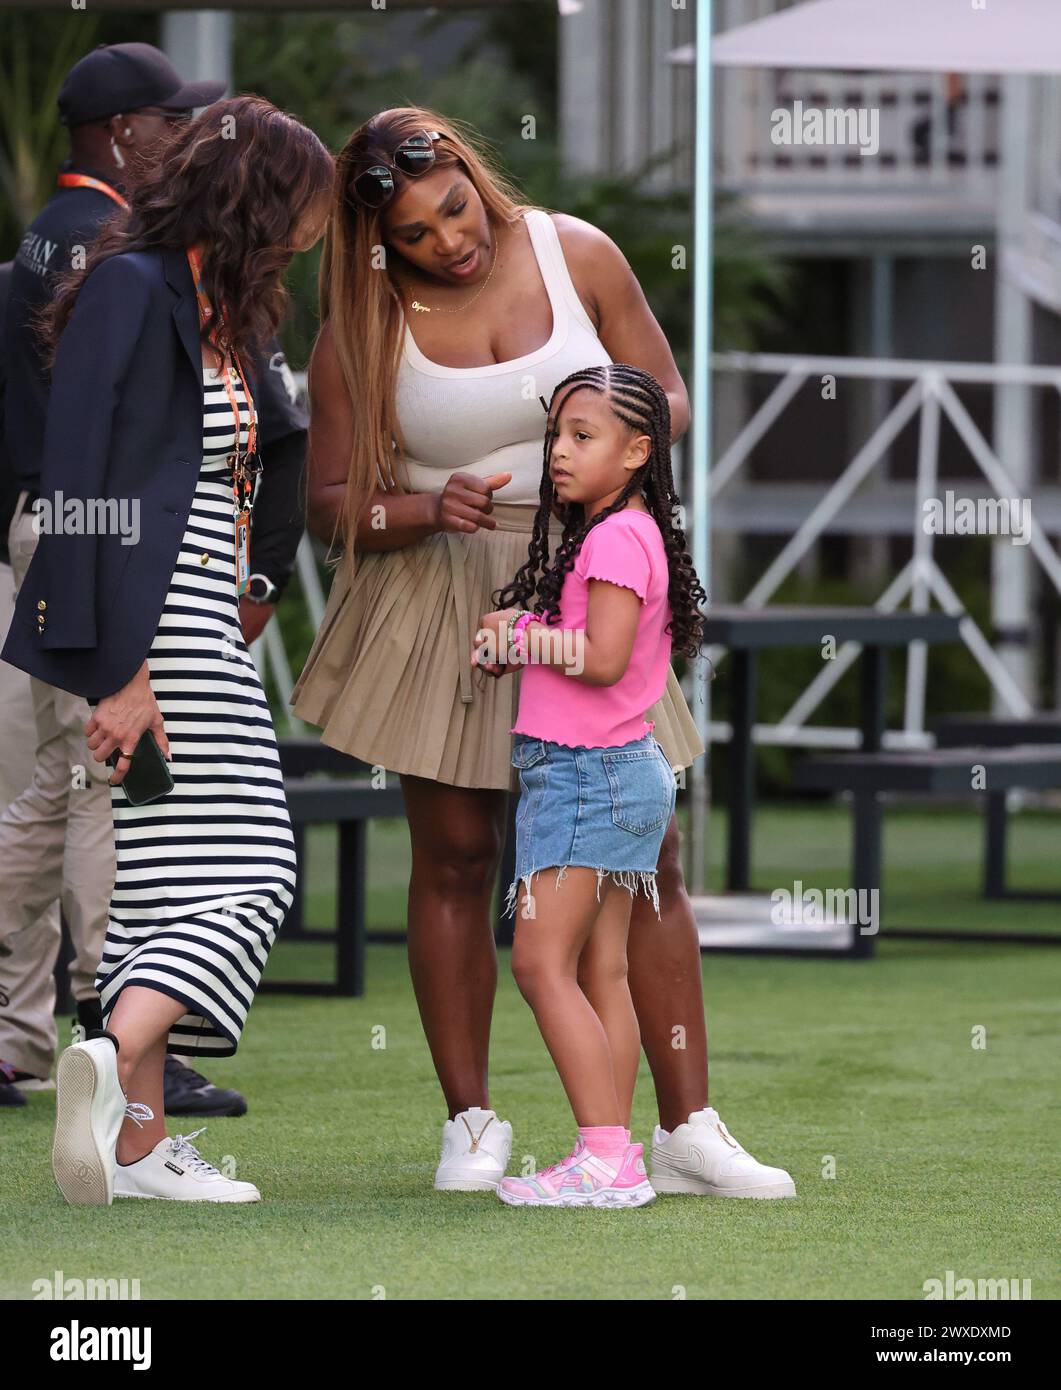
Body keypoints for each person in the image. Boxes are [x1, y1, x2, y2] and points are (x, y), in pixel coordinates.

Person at [293, 106, 794, 1198]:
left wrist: (592, 433)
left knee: (642, 852)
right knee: (458, 856)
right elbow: (328, 502)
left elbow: (666, 398)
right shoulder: (362, 320)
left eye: (455, 209)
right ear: (384, 243)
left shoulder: (578, 254)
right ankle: (470, 1121)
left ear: (473, 173)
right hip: (442, 597)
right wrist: (426, 507)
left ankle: (686, 1125)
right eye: (418, 234)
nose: (450, 241)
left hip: (594, 576)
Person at [1, 95, 332, 1204]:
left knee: (156, 891)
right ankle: (106, 1058)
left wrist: (249, 580)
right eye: (304, 206)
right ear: (256, 196)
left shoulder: (210, 304)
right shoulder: (133, 289)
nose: (313, 229)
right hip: (160, 626)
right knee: (258, 870)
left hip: (192, 611)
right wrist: (122, 669)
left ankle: (136, 1144)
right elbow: (79, 482)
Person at [472, 364, 698, 1207]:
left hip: (588, 776)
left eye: (583, 437)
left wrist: (519, 634)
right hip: (617, 772)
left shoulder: (610, 539)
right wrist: (528, 641)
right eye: (556, 435)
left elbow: (600, 660)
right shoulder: (627, 531)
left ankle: (604, 1158)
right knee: (601, 970)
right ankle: (616, 1156)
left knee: (539, 963)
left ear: (638, 451)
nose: (559, 453)